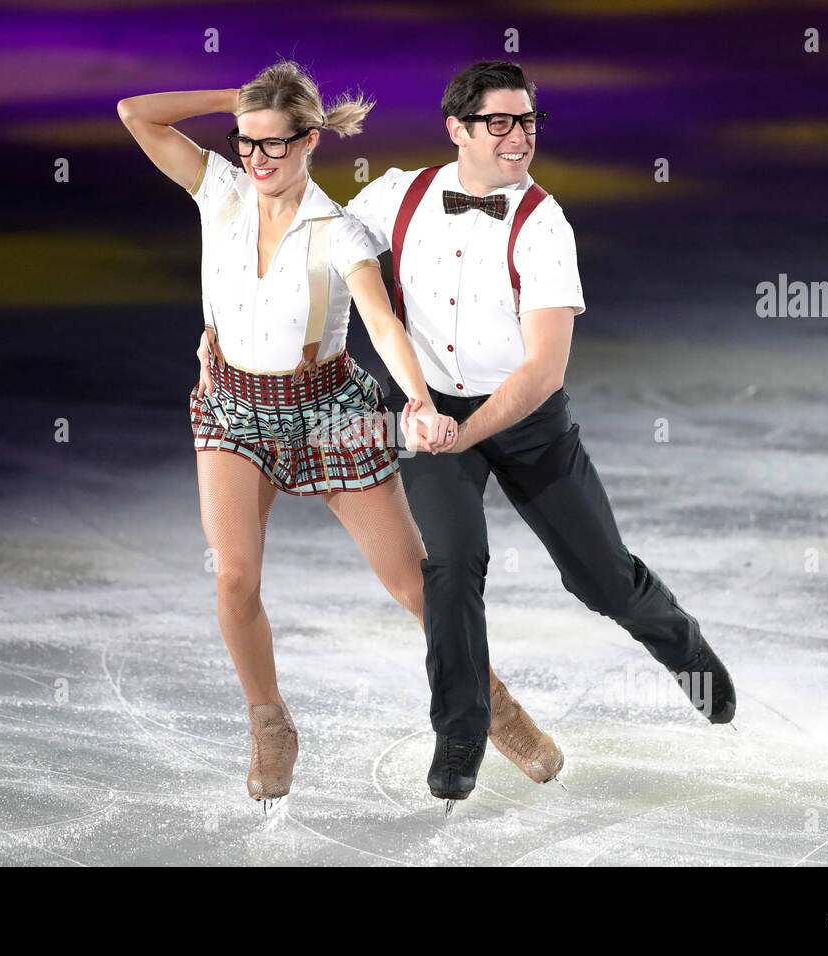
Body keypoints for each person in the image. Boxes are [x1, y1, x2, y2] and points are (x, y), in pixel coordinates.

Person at [117, 60, 563, 809]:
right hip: (231, 407)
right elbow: (136, 111)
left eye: (277, 144)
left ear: (310, 140)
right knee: (232, 577)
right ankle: (270, 720)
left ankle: (494, 706)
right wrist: (243, 101)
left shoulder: (338, 230)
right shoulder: (218, 190)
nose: (258, 160)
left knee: (413, 583)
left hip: (328, 412)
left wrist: (418, 400)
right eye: (246, 143)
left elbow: (384, 326)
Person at [336, 60, 738, 800]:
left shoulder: (544, 223)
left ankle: (682, 646)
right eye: (501, 122)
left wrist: (471, 430)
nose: (520, 137)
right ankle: (461, 730)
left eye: (528, 121)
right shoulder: (397, 194)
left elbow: (543, 370)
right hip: (432, 415)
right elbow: (324, 247)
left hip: (524, 418)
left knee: (600, 577)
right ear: (457, 128)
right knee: (451, 567)